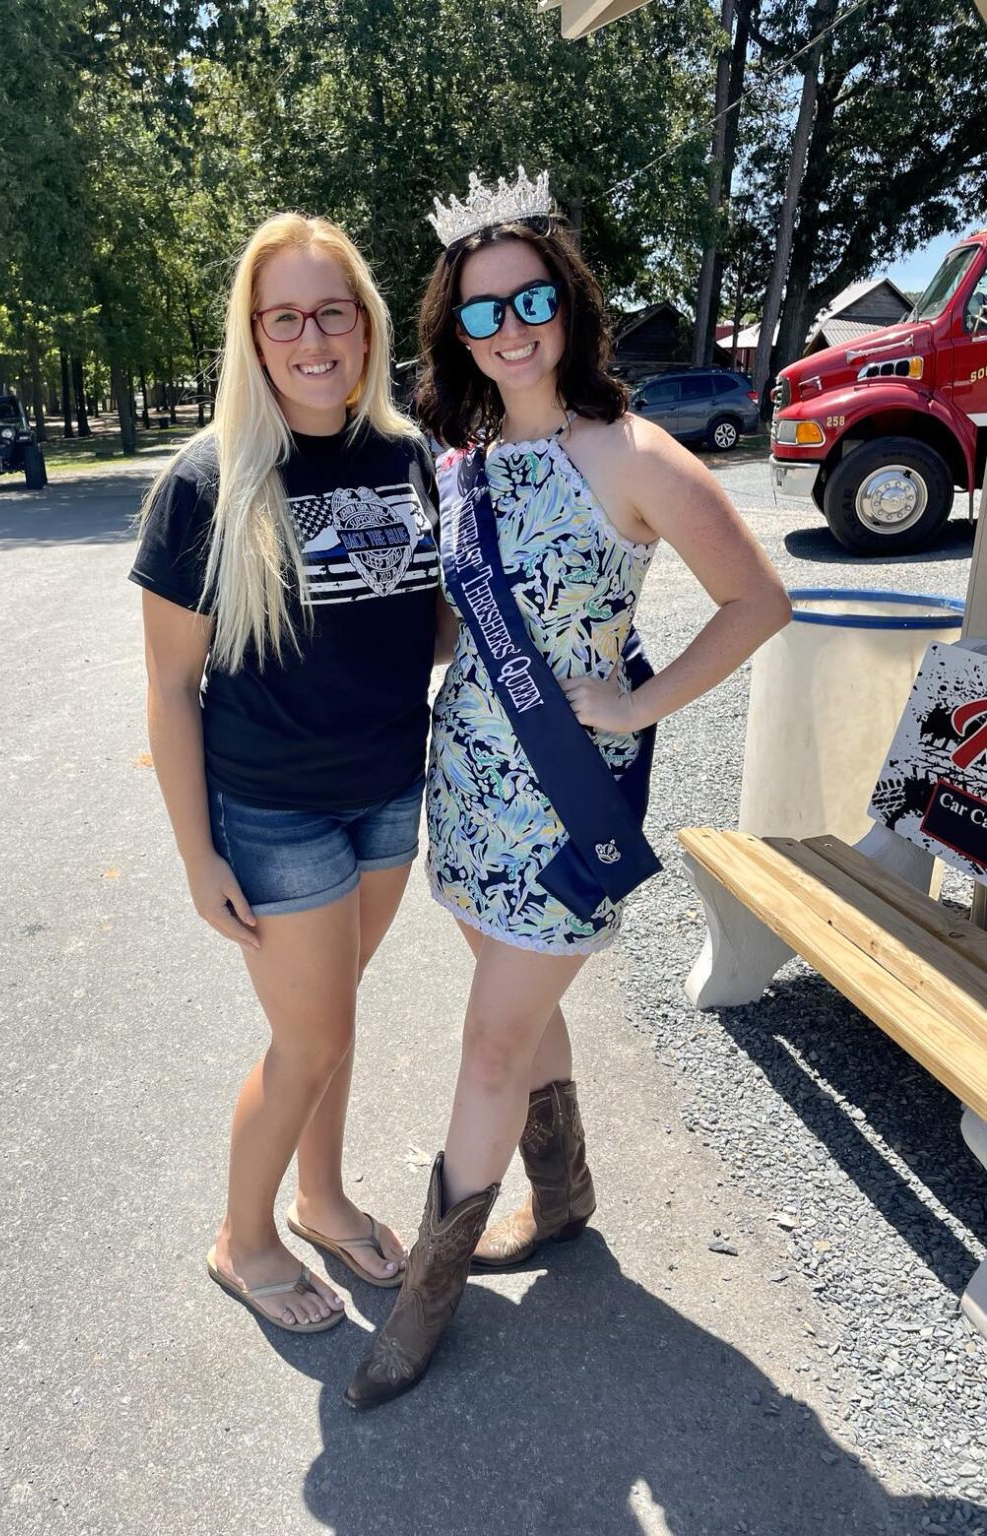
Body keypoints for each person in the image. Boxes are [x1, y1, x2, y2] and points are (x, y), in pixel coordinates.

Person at [347, 170, 791, 1407]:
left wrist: (641, 704)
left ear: (570, 304)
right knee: (514, 1002)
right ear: (457, 332)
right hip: (469, 783)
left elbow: (759, 601)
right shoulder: (467, 459)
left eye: (531, 299)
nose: (510, 327)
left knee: (490, 1038)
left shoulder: (636, 454)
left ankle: (426, 1294)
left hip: (566, 801)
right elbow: (460, 623)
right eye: (482, 311)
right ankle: (564, 1191)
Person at [130, 213, 443, 1332]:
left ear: (366, 326)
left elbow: (423, 631)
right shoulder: (208, 480)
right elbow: (172, 686)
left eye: (332, 313)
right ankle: (244, 1238)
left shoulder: (410, 457)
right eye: (284, 319)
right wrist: (197, 856)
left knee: (335, 1019)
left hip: (388, 794)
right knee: (309, 1038)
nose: (312, 339)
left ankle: (321, 1198)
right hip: (274, 814)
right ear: (254, 337)